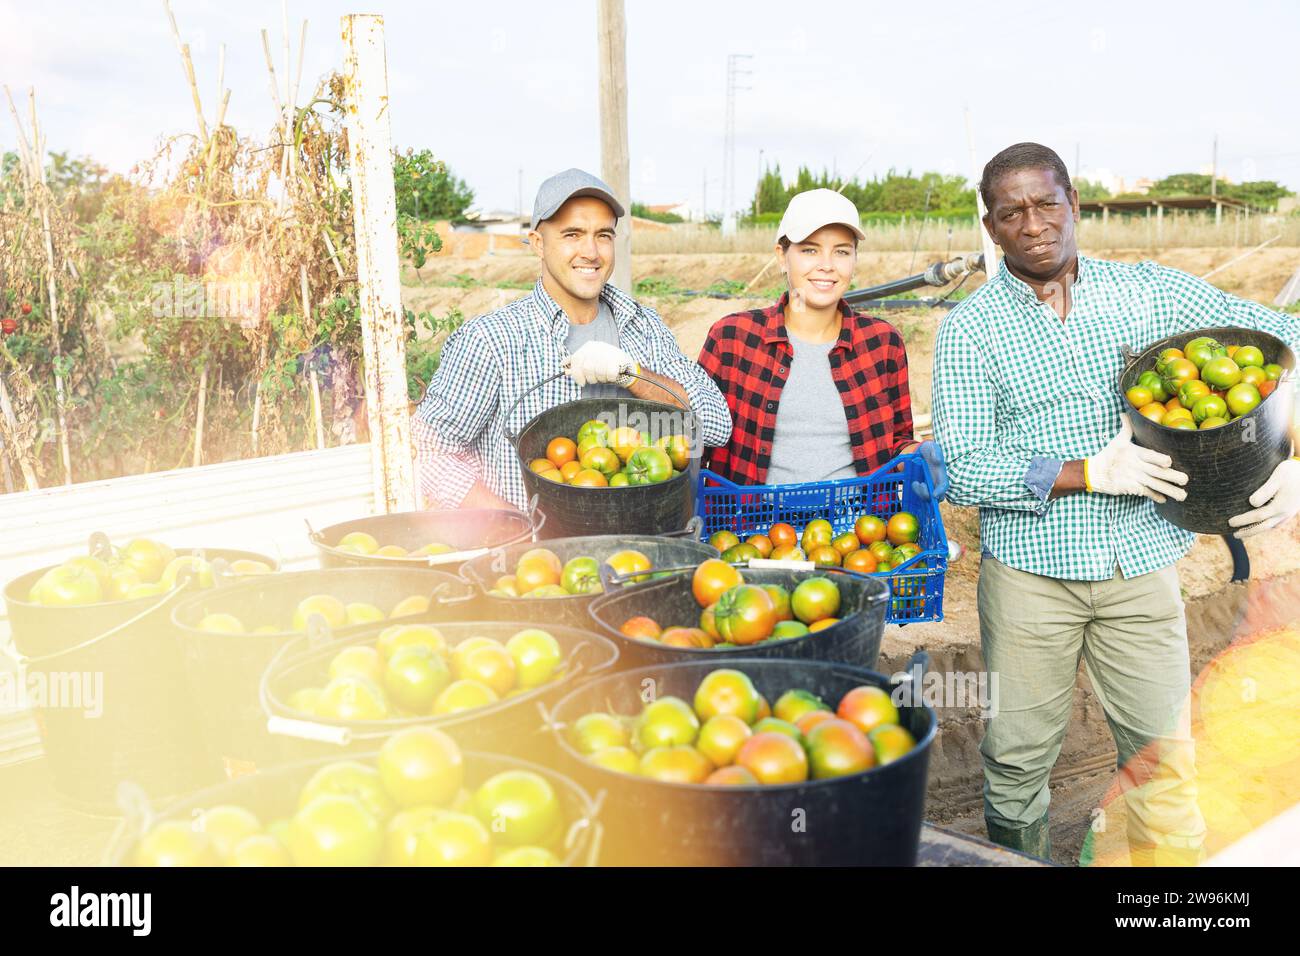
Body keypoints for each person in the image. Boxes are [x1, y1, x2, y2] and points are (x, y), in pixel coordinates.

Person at [931, 141, 1300, 864]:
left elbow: (1284, 335)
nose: (1032, 223)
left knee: (1164, 764)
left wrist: (1288, 448)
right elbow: (965, 470)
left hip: (1142, 565)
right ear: (991, 225)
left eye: (1046, 203)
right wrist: (1088, 472)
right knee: (1015, 765)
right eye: (1011, 212)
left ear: (1073, 203)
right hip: (1034, 576)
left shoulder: (1149, 292)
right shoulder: (970, 331)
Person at [412, 168, 731, 511]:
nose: (591, 252)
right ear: (538, 243)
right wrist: (512, 525)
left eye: (603, 235)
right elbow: (428, 450)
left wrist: (631, 374)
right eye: (572, 235)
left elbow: (715, 426)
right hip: (533, 559)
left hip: (637, 554)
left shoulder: (644, 327)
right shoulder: (492, 340)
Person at [697, 188, 948, 499]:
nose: (827, 265)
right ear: (781, 256)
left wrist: (917, 453)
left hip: (858, 535)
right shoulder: (732, 339)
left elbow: (896, 442)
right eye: (810, 250)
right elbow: (697, 443)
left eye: (842, 251)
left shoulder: (883, 343)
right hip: (752, 532)